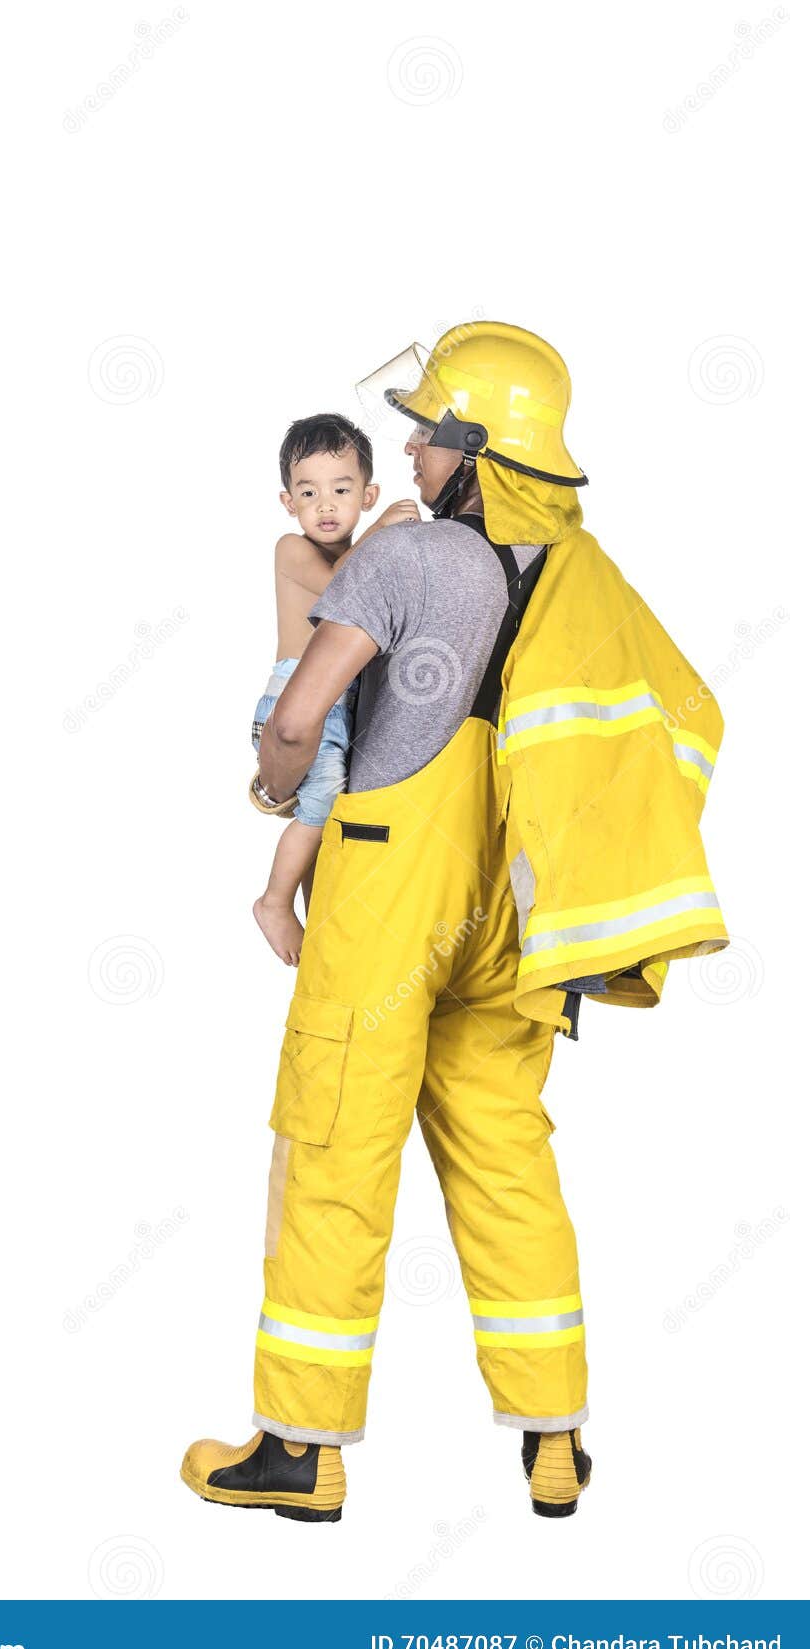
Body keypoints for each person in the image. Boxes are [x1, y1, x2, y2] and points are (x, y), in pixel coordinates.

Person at [182, 322, 728, 1523]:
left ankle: (298, 1448)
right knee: (506, 1160)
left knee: (335, 1146)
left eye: (430, 433)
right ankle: (555, 1436)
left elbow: (305, 711)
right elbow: (682, 717)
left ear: (474, 451)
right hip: (515, 909)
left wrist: (276, 779)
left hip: (388, 892)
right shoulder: (583, 579)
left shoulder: (411, 560)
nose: (413, 449)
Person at [250, 414, 418, 964]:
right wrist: (381, 532)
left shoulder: (356, 547)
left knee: (329, 818)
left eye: (341, 490)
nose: (325, 504)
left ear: (366, 493)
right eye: (308, 492)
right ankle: (273, 903)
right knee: (320, 806)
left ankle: (315, 910)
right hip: (293, 699)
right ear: (287, 501)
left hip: (335, 705)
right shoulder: (289, 551)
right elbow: (344, 584)